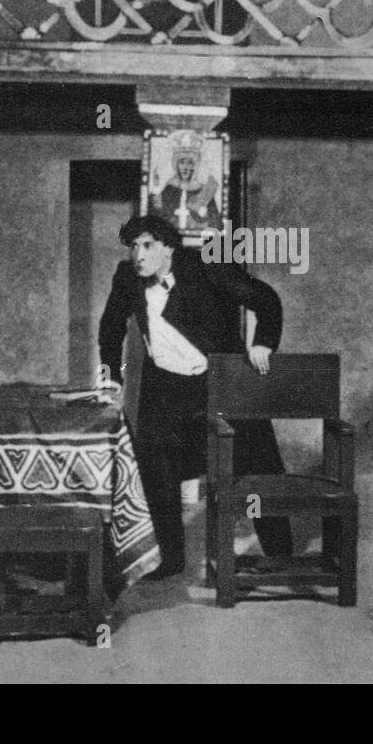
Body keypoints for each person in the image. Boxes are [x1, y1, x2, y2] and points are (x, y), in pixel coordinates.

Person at [98, 214, 292, 579]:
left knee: (256, 461)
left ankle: (281, 553)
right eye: (133, 247)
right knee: (157, 469)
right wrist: (111, 378)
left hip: (219, 381)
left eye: (147, 245)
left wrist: (263, 342)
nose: (138, 255)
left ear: (168, 246)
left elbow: (266, 300)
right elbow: (110, 329)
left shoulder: (209, 267)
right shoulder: (127, 278)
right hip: (167, 388)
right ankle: (168, 559)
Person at [150, 147, 219, 231]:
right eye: (182, 162)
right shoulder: (171, 188)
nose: (185, 167)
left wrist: (203, 217)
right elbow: (159, 216)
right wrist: (156, 193)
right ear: (176, 165)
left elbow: (215, 222)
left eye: (190, 163)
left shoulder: (204, 191)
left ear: (195, 166)